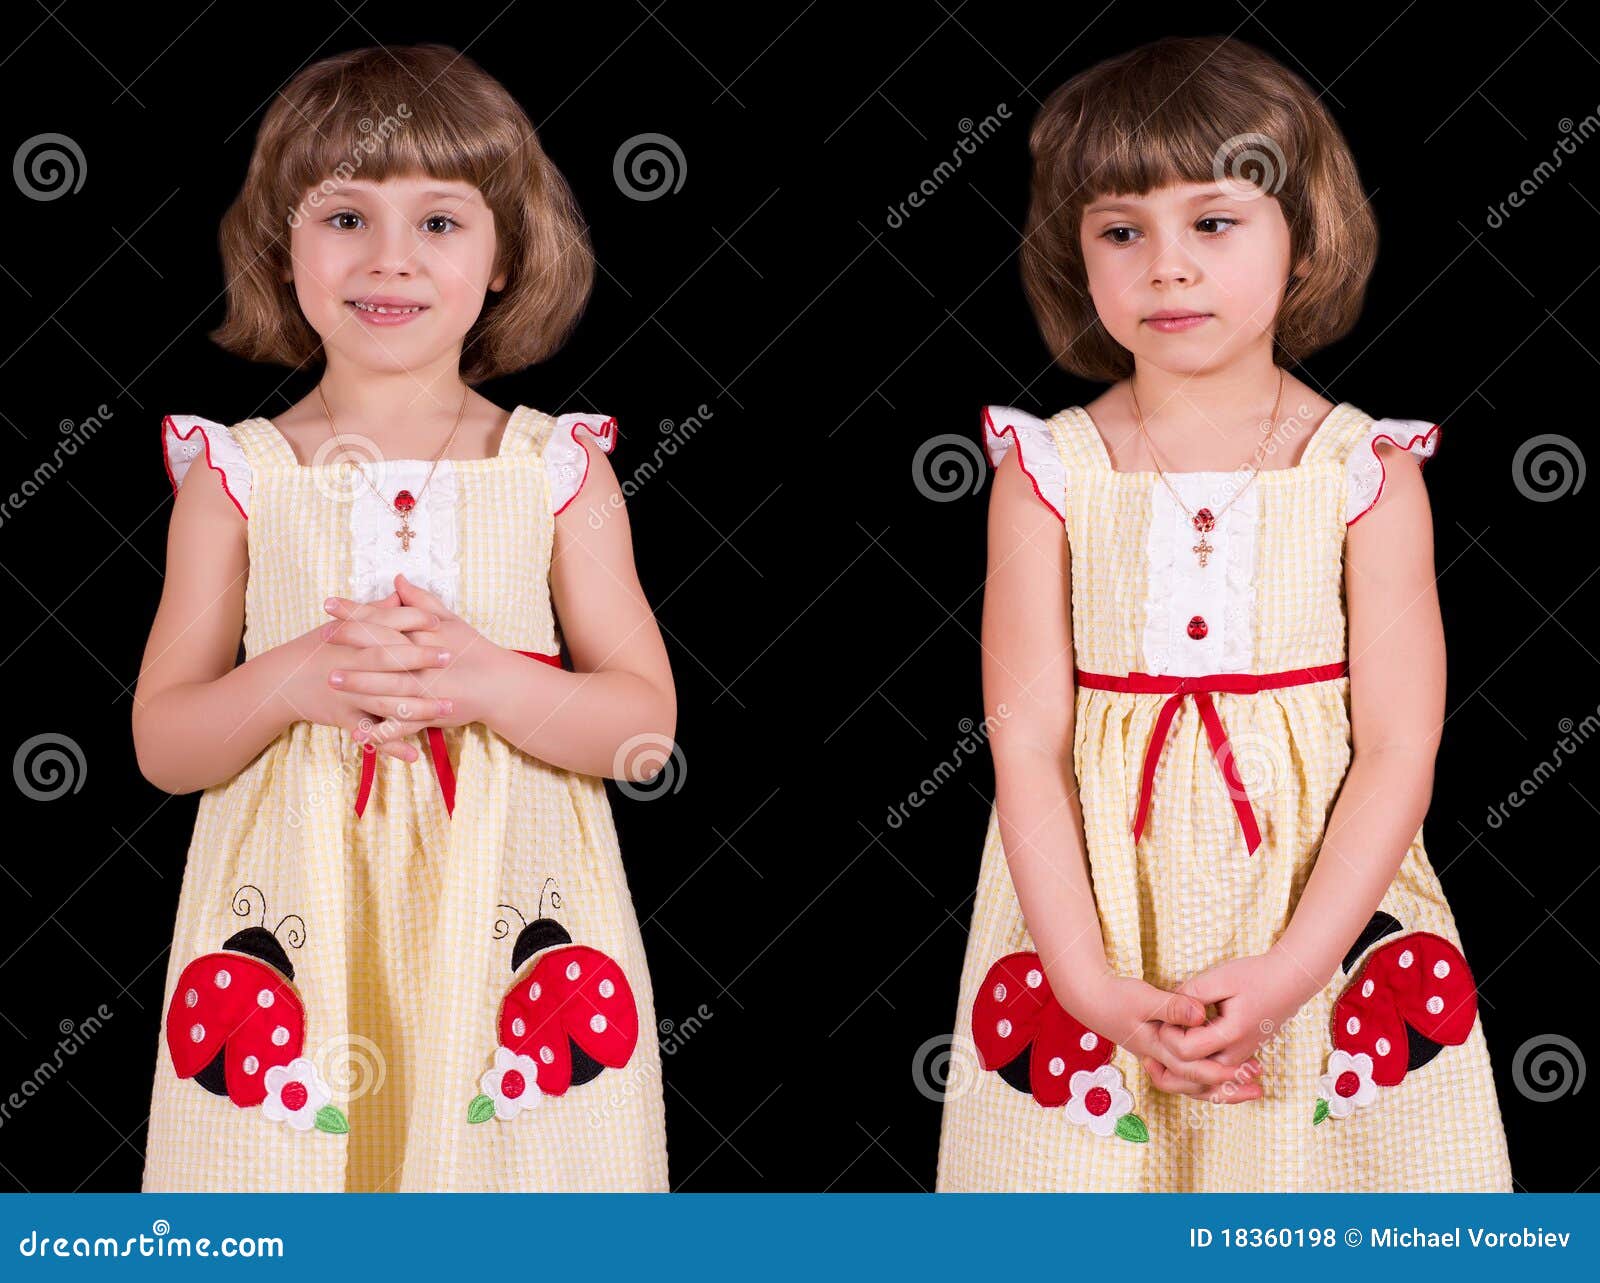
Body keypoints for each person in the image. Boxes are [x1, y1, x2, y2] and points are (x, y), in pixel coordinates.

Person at [936, 35, 1513, 1192]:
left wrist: (1297, 966)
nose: (1166, 266)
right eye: (1120, 230)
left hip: (1315, 921)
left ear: (1301, 241)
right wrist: (1089, 983)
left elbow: (1401, 746)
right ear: (1079, 257)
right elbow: (1028, 741)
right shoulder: (1048, 470)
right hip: (1091, 920)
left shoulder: (1366, 471)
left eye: (1213, 222)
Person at [135, 44, 673, 1192]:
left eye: (439, 221)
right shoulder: (238, 476)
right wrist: (292, 677)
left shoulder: (554, 470)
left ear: (501, 258)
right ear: (283, 250)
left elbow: (643, 728)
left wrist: (493, 684)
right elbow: (164, 747)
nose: (389, 257)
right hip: (300, 916)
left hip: (509, 917)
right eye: (344, 217)